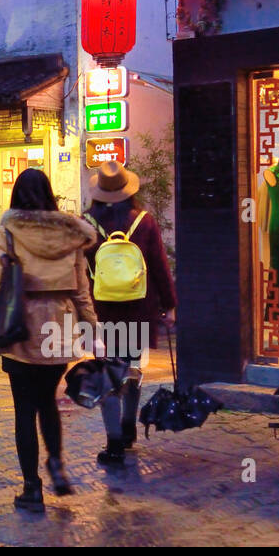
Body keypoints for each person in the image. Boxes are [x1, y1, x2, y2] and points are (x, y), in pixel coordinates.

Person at [0, 168, 98, 513]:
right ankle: (58, 465)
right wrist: (91, 328)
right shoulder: (69, 232)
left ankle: (32, 489)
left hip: (21, 325)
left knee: (24, 408)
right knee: (48, 400)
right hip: (60, 326)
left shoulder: (9, 228)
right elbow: (81, 289)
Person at [84, 160, 177, 466]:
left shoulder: (86, 223)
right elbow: (160, 267)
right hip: (139, 308)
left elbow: (77, 272)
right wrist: (170, 304)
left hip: (102, 312)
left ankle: (113, 444)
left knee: (109, 373)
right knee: (133, 368)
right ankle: (128, 428)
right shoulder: (145, 221)